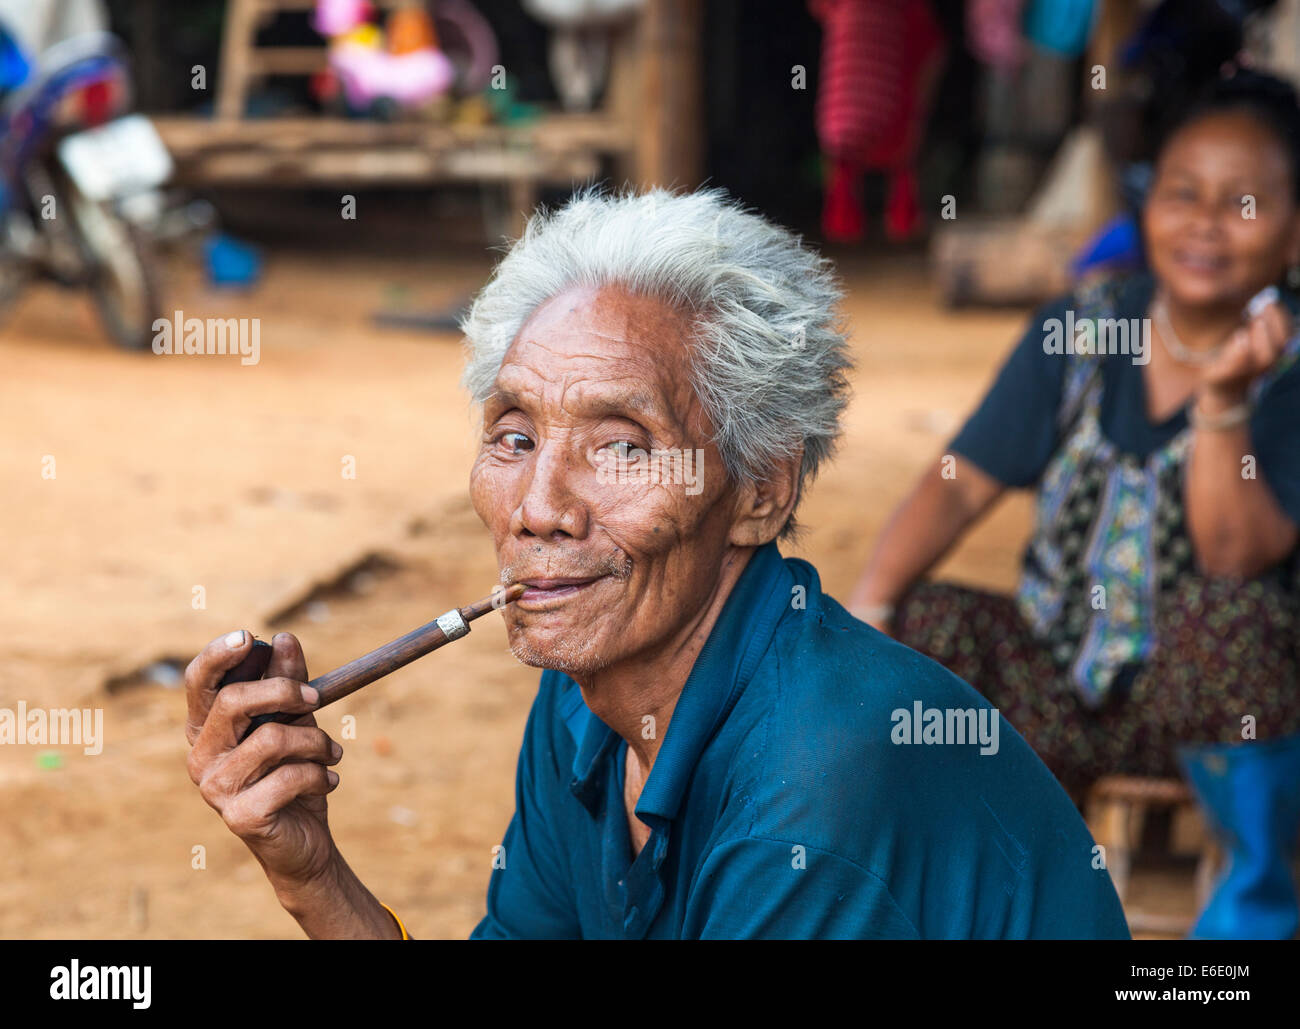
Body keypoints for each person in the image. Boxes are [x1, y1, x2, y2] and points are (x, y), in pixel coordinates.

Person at [184, 187, 1128, 939]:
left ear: (760, 489)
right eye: (513, 435)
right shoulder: (585, 703)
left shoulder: (813, 789)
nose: (541, 508)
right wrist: (311, 873)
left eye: (624, 446)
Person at [849, 70, 1300, 938]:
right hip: (1059, 684)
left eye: (1244, 203)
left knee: (1231, 619)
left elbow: (1235, 557)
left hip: (1210, 717)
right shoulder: (1085, 326)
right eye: (1182, 194)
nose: (1205, 222)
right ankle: (949, 904)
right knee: (930, 624)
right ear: (1145, 206)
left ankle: (1246, 921)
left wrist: (1224, 399)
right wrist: (870, 614)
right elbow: (960, 484)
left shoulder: (1288, 369)